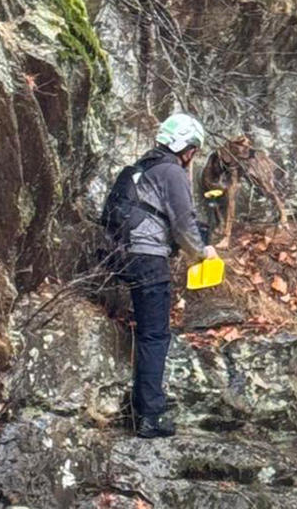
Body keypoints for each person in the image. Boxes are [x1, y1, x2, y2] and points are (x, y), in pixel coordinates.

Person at [102, 113, 217, 438]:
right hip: (149, 258)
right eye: (194, 149)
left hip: (122, 256)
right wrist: (202, 251)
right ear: (188, 148)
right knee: (154, 335)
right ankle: (150, 417)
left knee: (146, 330)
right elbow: (183, 223)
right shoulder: (171, 171)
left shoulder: (142, 168)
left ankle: (141, 407)